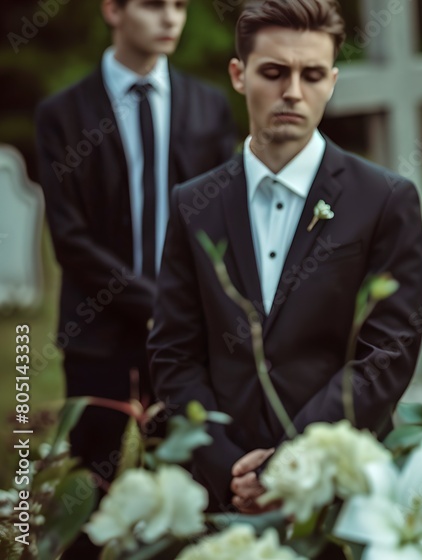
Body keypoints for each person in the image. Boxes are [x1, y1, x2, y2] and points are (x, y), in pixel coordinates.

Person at [147, 0, 422, 515]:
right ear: (239, 73)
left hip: (342, 490)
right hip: (221, 490)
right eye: (274, 72)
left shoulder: (385, 199)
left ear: (333, 80)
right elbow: (174, 352)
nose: (293, 92)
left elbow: (389, 351)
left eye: (312, 74)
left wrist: (292, 461)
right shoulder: (195, 204)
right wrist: (225, 462)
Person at [34, 0, 235, 534]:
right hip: (96, 331)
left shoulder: (208, 105)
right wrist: (154, 300)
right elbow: (69, 237)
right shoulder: (63, 113)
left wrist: (185, 308)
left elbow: (219, 221)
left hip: (186, 337)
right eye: (152, 5)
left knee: (185, 486)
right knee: (91, 490)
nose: (170, 18)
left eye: (179, 6)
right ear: (113, 10)